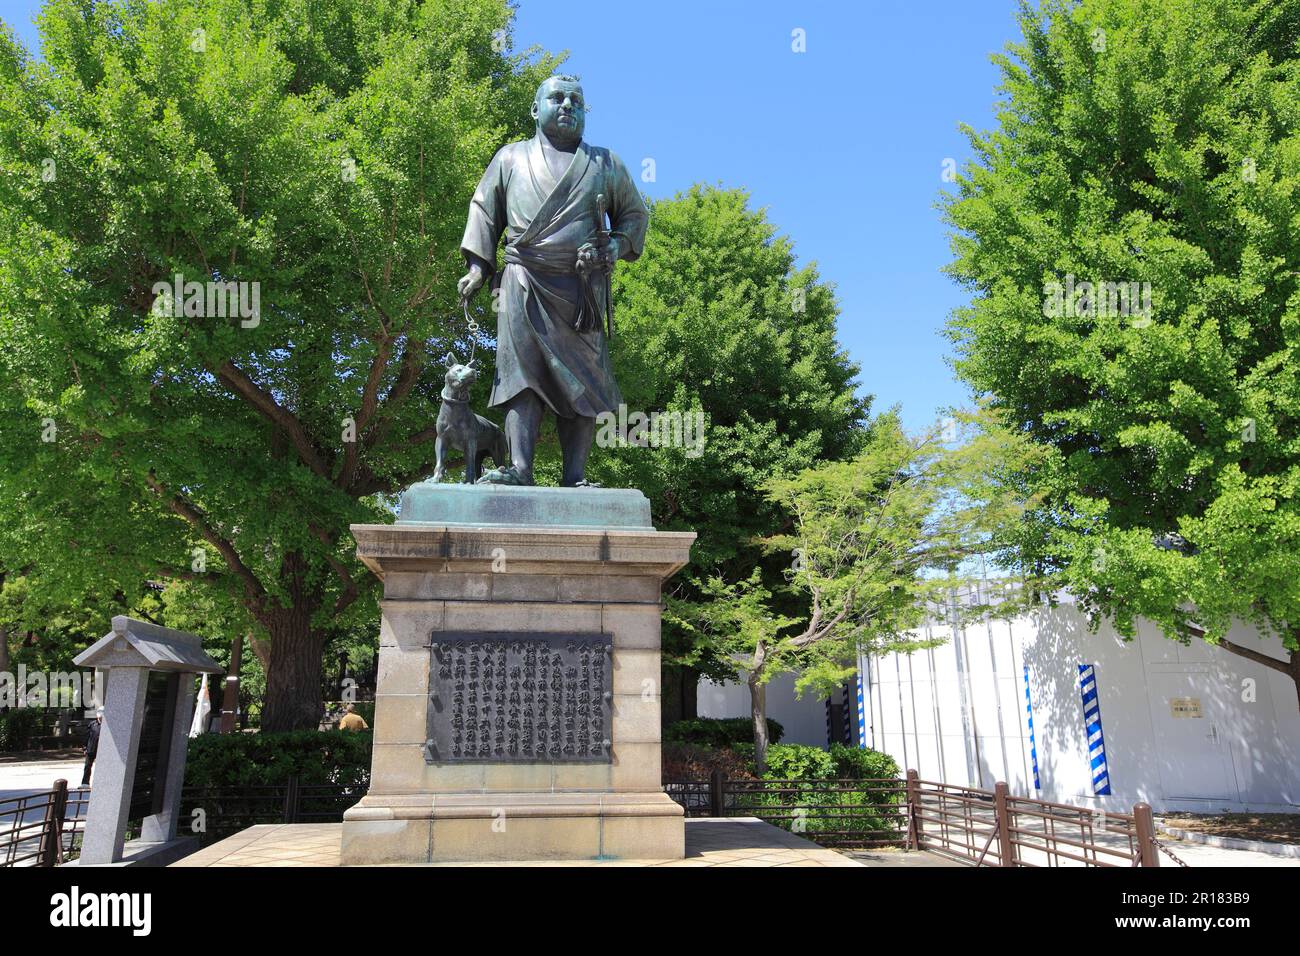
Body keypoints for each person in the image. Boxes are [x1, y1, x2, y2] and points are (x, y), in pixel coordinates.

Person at [457, 74, 649, 487]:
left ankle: (575, 476)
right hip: (522, 279)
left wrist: (615, 246)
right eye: (557, 98)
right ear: (535, 109)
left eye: (576, 100)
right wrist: (478, 266)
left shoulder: (606, 164)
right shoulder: (510, 158)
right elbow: (483, 211)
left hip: (582, 289)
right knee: (519, 373)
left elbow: (635, 215)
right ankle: (520, 469)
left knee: (583, 379)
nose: (567, 105)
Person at [80, 710, 102, 787]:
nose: (101, 717)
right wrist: (84, 748)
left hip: (102, 750)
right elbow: (86, 736)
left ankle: (99, 783)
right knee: (87, 766)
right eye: (99, 715)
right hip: (91, 748)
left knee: (101, 767)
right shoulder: (92, 724)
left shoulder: (107, 725)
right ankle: (85, 783)